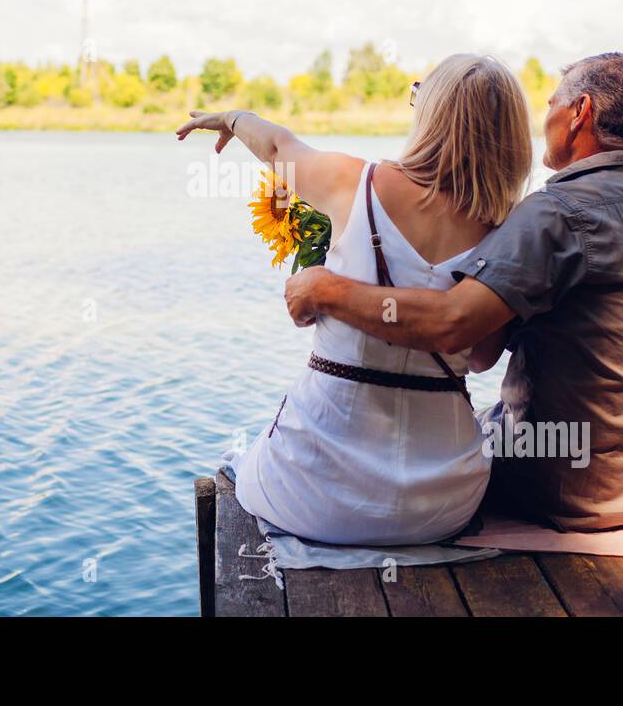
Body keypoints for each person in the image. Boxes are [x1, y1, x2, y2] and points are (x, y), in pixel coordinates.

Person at [284, 52, 623, 532]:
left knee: (425, 444)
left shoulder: (556, 213)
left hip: (575, 487)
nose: (543, 117)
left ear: (579, 113)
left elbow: (453, 326)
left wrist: (324, 289)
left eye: (553, 102)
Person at [176, 54, 533, 544]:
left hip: (315, 491)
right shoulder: (509, 234)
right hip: (442, 501)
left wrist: (236, 120)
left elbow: (279, 144)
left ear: (430, 116)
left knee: (240, 463)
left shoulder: (354, 183)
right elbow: (481, 356)